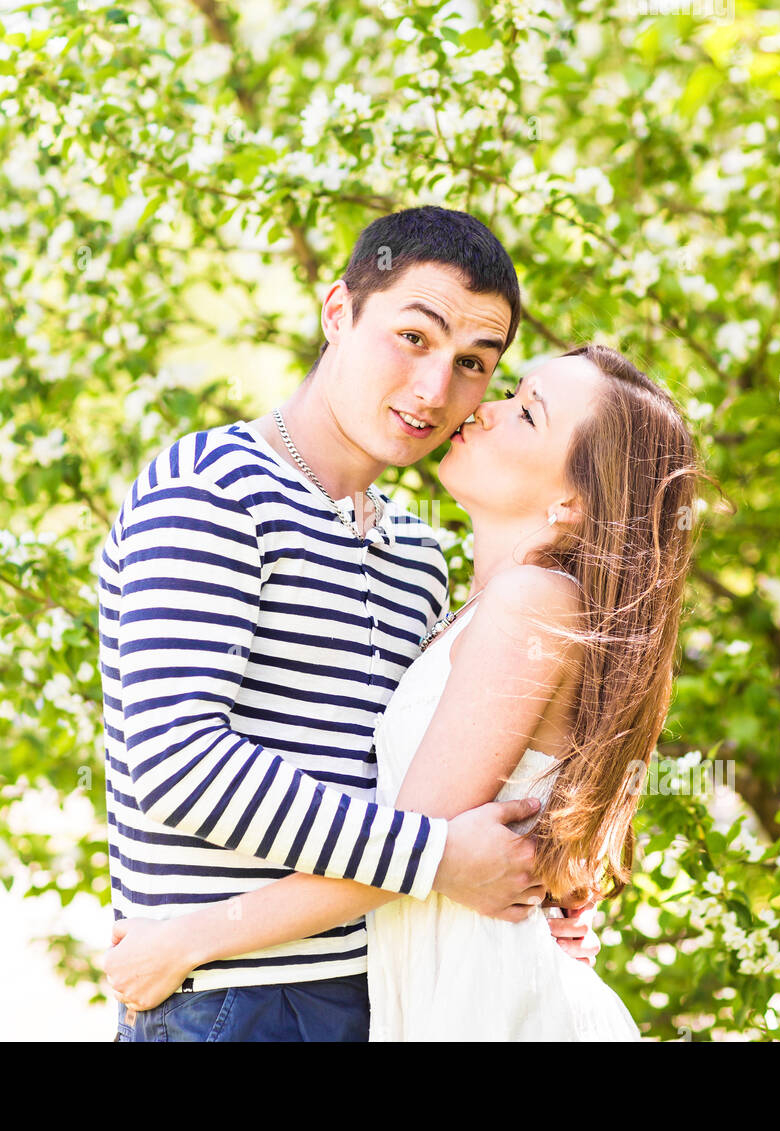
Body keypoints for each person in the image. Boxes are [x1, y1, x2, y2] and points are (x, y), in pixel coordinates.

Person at [98, 206, 600, 1042]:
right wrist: (440, 859)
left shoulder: (413, 553)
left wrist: (538, 882)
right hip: (230, 1000)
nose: (435, 390)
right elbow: (178, 764)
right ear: (339, 312)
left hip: (385, 994)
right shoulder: (212, 487)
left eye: (473, 363)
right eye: (413, 336)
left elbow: (420, 783)